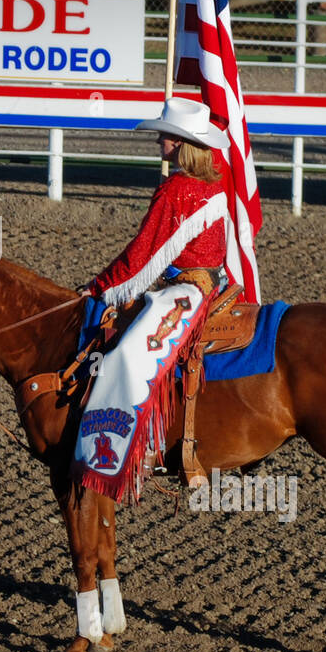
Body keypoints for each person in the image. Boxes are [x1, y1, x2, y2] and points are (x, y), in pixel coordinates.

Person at [71, 97, 231, 502]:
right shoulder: (214, 179)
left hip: (187, 290)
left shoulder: (176, 191)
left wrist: (97, 288)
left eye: (167, 135)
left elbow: (140, 257)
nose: (160, 139)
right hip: (213, 282)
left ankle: (141, 446)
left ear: (180, 144)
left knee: (128, 353)